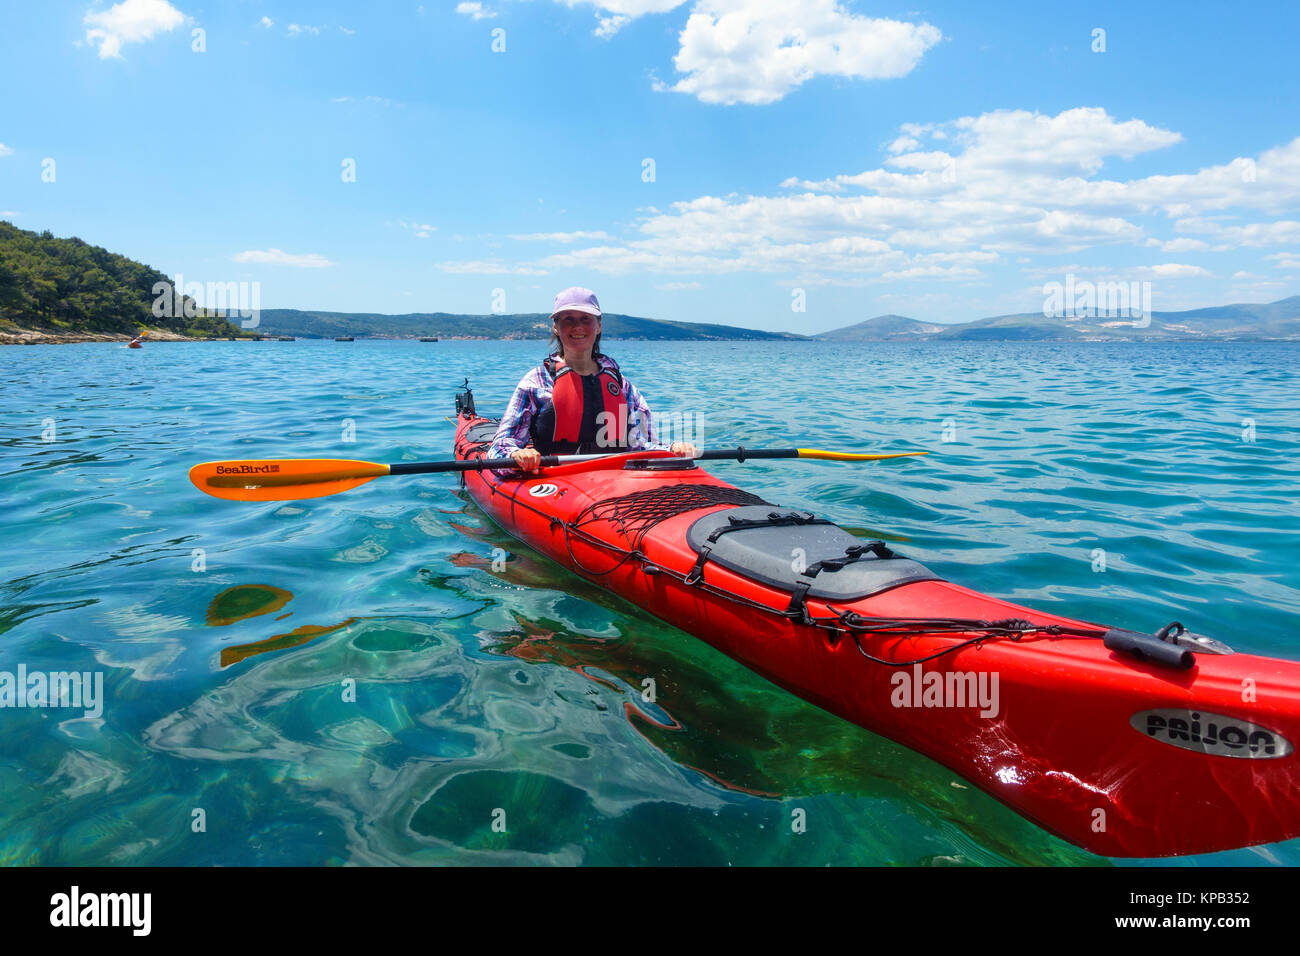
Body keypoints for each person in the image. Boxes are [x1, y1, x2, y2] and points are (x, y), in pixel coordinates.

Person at [488, 287, 698, 472]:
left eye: (585, 319)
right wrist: (517, 454)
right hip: (555, 482)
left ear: (598, 326)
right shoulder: (536, 382)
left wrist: (672, 449)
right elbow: (500, 448)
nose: (577, 326)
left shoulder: (622, 386)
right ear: (555, 327)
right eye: (568, 319)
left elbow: (641, 445)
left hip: (611, 478)